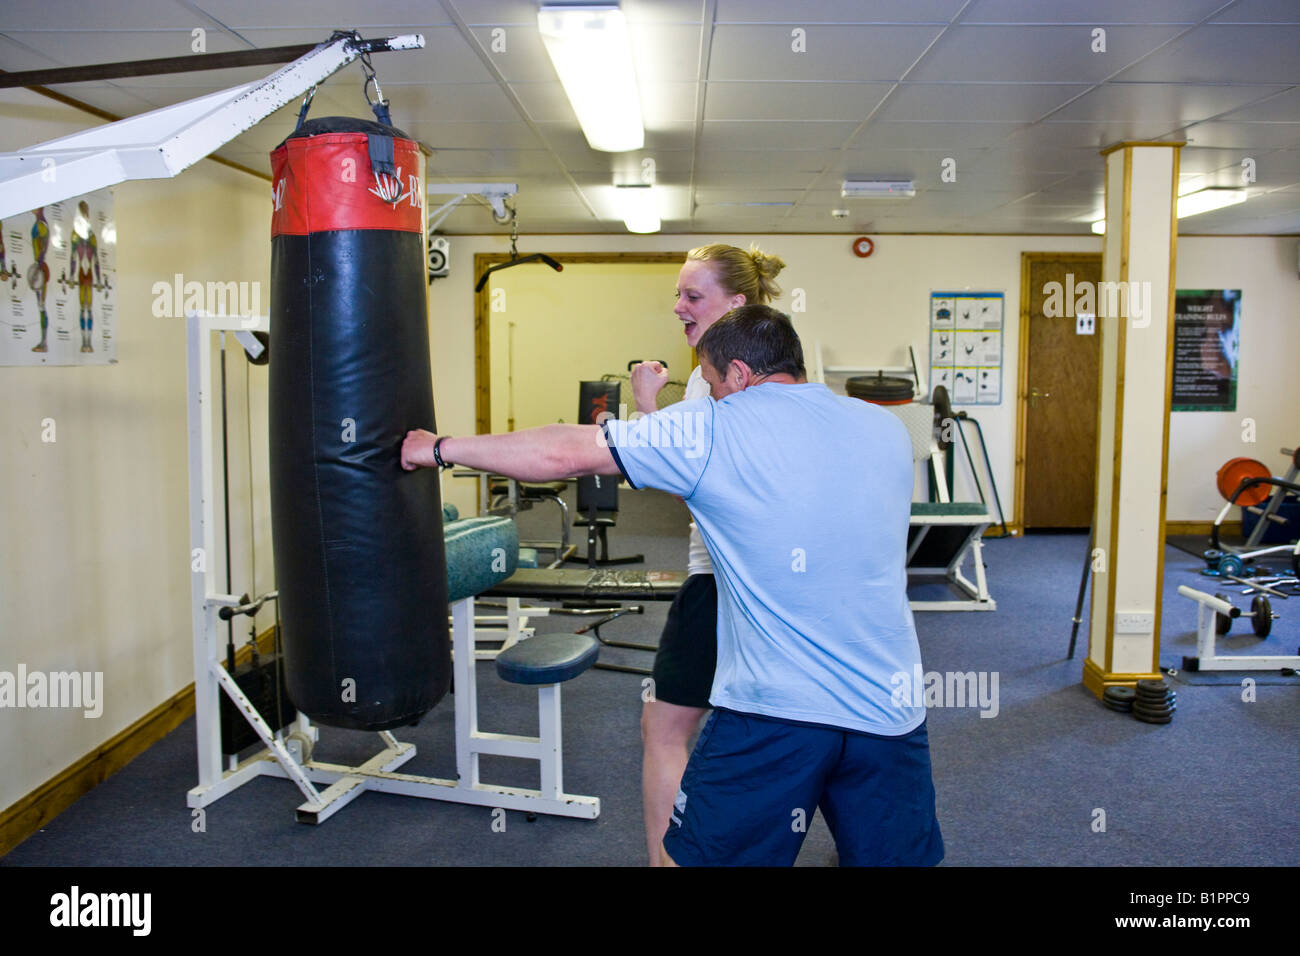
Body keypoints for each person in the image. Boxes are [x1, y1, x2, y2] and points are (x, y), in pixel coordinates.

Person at [402, 305, 944, 867]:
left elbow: (559, 451)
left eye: (710, 382)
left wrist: (439, 448)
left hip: (774, 711)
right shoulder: (884, 427)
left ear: (739, 374)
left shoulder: (714, 425)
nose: (709, 395)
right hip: (890, 705)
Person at [629, 243, 786, 865]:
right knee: (782, 730)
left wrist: (646, 408)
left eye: (693, 296)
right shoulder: (739, 371)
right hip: (762, 581)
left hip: (723, 580)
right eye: (679, 294)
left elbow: (698, 490)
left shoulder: (726, 378)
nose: (678, 307)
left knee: (666, 727)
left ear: (736, 303)